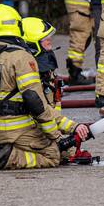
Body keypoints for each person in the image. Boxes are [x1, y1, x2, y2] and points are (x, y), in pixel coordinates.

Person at [0, 5, 89, 171]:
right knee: (54, 155)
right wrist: (56, 136)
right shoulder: (21, 57)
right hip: (13, 130)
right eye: (47, 41)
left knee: (58, 149)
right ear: (16, 26)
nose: (51, 47)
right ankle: (8, 157)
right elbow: (35, 102)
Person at [21, 15, 80, 161]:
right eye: (45, 39)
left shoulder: (46, 66)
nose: (50, 41)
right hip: (30, 131)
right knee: (55, 156)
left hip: (49, 127)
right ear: (33, 44)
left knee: (66, 153)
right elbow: (41, 110)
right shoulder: (30, 70)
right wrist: (73, 127)